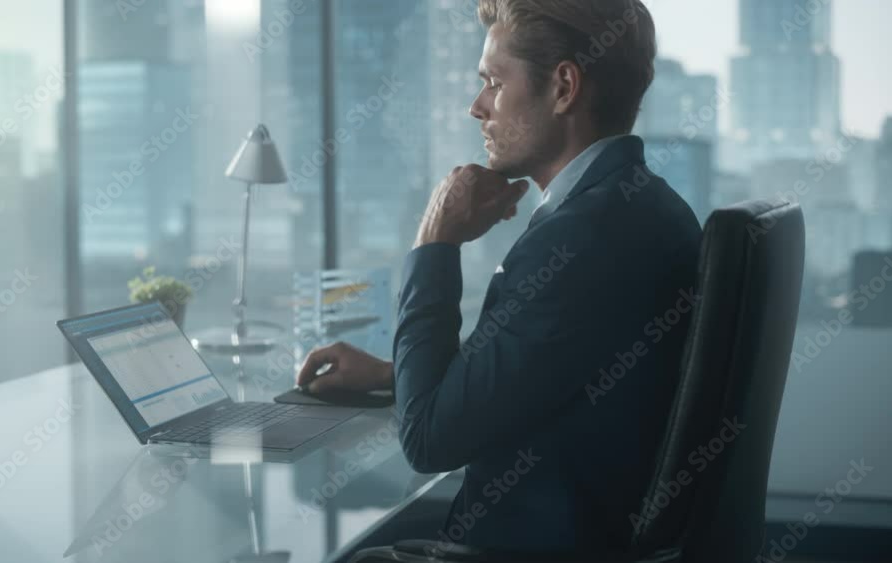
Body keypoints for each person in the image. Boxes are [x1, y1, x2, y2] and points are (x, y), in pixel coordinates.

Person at [296, 0, 703, 553]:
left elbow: (428, 440)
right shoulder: (642, 207)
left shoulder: (581, 238)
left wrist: (435, 241)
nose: (476, 106)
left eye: (492, 82)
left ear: (563, 87)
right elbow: (549, 372)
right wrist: (398, 373)